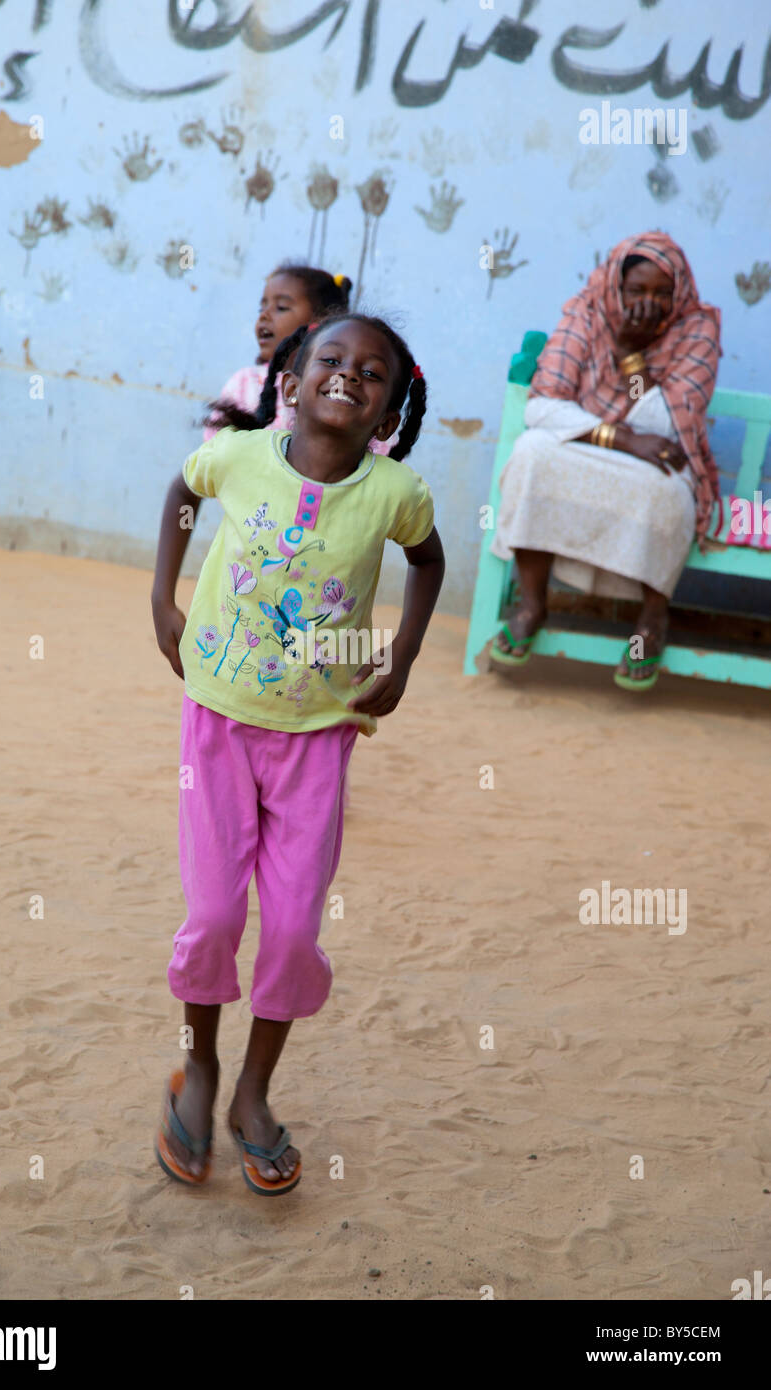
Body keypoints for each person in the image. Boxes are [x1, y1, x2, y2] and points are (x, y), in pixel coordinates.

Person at [151, 311, 445, 1193]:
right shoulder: (238, 459)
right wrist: (161, 602)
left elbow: (428, 563)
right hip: (219, 723)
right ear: (291, 381)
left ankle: (252, 1092)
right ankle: (199, 1067)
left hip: (318, 739)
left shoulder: (397, 494)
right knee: (212, 919)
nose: (350, 374)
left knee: (288, 931)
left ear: (389, 410)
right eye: (332, 359)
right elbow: (182, 493)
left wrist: (404, 652)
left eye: (375, 372)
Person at [490, 231, 722, 690]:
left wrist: (631, 355)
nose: (649, 303)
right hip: (590, 443)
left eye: (662, 292)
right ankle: (533, 602)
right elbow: (542, 405)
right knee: (533, 452)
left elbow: (667, 430)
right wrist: (618, 437)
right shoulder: (587, 311)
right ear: (617, 288)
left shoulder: (697, 329)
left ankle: (652, 619)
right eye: (637, 291)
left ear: (680, 293)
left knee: (666, 490)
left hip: (654, 457)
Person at [203, 262, 395, 454]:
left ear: (322, 324)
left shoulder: (341, 390)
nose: (264, 316)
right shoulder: (245, 383)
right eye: (261, 309)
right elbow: (213, 455)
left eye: (281, 307)